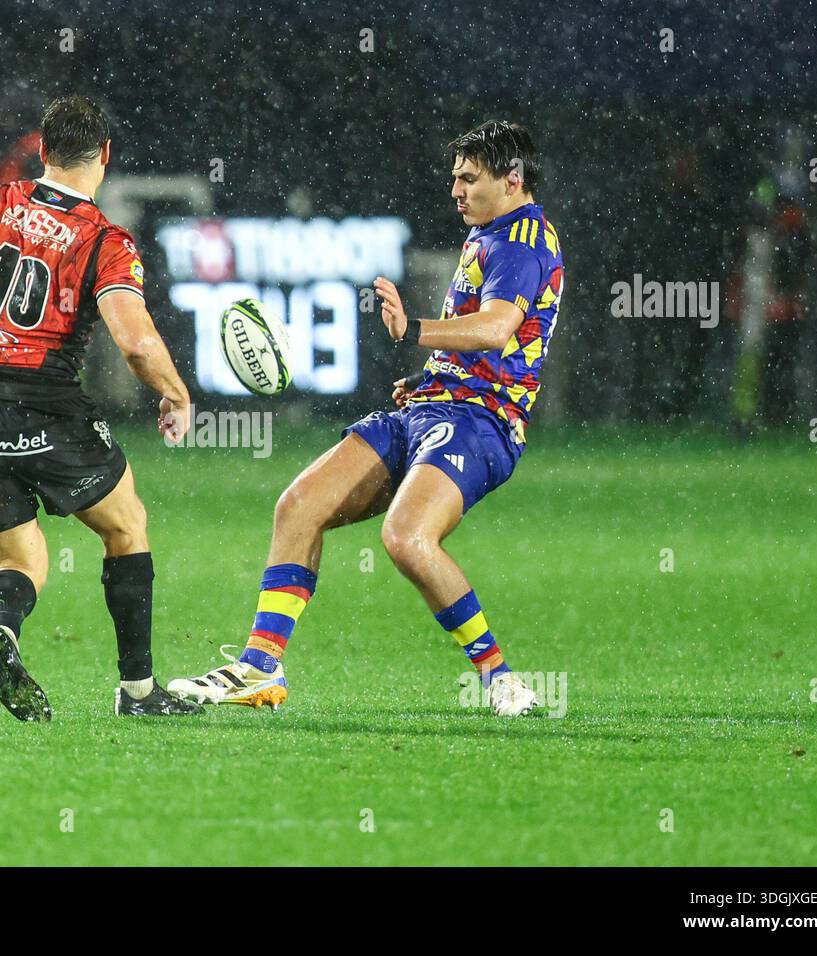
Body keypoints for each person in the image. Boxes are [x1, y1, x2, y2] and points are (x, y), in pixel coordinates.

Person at [170, 121, 565, 717]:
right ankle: (258, 669)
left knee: (407, 538)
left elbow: (496, 327)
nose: (455, 190)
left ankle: (499, 677)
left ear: (512, 179)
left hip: (480, 422)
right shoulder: (488, 233)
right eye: (453, 178)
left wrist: (416, 332)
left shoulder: (522, 238)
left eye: (468, 178)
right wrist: (432, 372)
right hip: (430, 408)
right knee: (298, 506)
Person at [0, 94, 201, 721]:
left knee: (21, 559)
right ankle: (138, 692)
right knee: (125, 525)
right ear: (105, 156)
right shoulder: (103, 239)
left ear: (42, 150)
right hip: (44, 402)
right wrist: (176, 392)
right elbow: (137, 343)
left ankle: (3, 628)